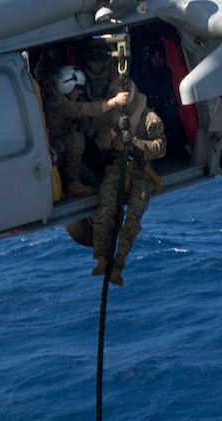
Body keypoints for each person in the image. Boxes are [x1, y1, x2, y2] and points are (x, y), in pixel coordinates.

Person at [91, 80, 166, 286]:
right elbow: (99, 143)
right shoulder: (110, 118)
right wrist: (115, 131)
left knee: (133, 217)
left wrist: (135, 142)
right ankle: (102, 259)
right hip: (116, 167)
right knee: (104, 211)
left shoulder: (149, 119)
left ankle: (118, 265)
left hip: (140, 171)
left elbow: (161, 148)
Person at [45, 65, 128, 197]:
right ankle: (72, 184)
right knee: (77, 138)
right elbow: (85, 109)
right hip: (53, 152)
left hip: (60, 150)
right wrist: (114, 102)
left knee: (92, 180)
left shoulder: (59, 100)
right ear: (67, 86)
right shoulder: (58, 105)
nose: (80, 92)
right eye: (78, 88)